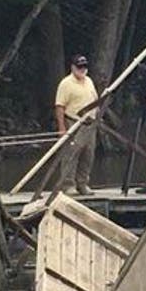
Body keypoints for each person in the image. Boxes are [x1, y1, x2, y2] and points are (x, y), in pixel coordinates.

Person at [54, 54, 99, 195]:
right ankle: (68, 185)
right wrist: (62, 127)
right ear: (73, 67)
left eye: (84, 66)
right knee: (71, 154)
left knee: (88, 154)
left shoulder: (89, 81)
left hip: (89, 123)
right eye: (79, 67)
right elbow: (60, 106)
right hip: (73, 121)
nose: (82, 69)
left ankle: (83, 183)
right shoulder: (66, 83)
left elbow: (95, 100)